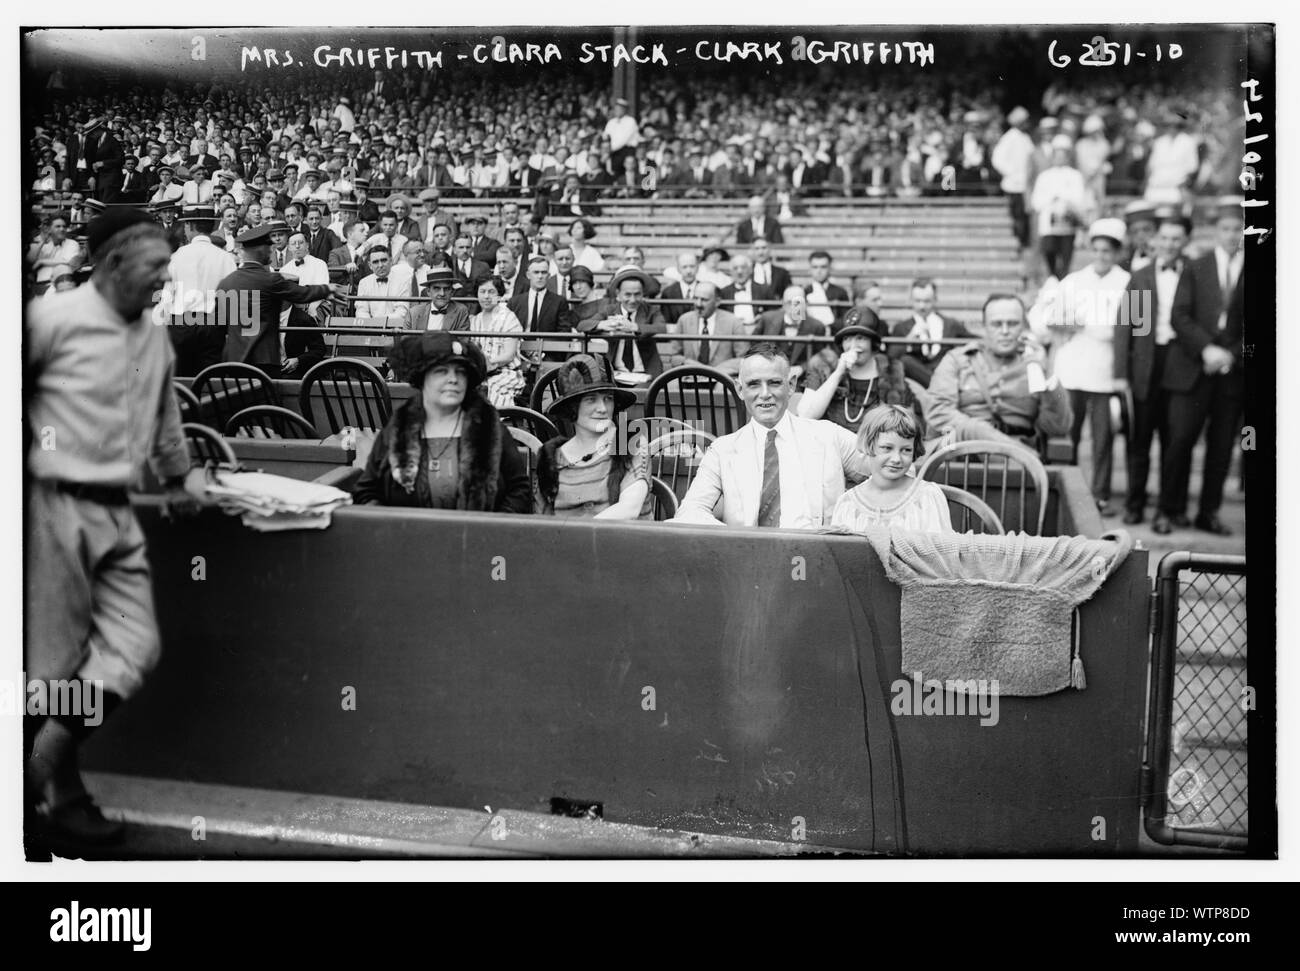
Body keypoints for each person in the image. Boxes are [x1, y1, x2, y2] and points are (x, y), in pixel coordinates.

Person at [26, 208, 200, 845]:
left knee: (131, 651)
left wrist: (178, 479)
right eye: (154, 264)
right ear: (112, 261)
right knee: (49, 671)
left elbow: (165, 413)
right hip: (48, 509)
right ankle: (54, 801)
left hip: (115, 509)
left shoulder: (153, 334)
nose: (163, 276)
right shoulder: (49, 319)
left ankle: (35, 774)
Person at [672, 343, 868, 528]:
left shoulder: (828, 436)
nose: (765, 394)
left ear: (791, 385)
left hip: (816, 555)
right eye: (754, 384)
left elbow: (888, 471)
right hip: (749, 555)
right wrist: (734, 539)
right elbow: (690, 511)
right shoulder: (722, 450)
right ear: (740, 390)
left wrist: (855, 523)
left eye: (774, 383)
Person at [352, 331, 532, 511]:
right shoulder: (399, 429)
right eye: (441, 371)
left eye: (460, 372)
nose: (453, 379)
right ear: (422, 378)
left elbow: (520, 490)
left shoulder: (489, 428)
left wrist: (491, 528)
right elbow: (367, 491)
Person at [1036, 217, 1131, 514]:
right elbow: (1053, 320)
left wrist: (1096, 327)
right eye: (1097, 250)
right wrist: (1078, 323)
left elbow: (1138, 327)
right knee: (1069, 434)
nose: (1101, 256)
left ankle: (1100, 495)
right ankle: (1068, 492)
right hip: (1073, 367)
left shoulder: (1130, 282)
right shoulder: (1073, 281)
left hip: (1106, 371)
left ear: (1116, 253)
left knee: (1103, 438)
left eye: (1108, 251)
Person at [1161, 201, 1244, 536]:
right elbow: (1178, 315)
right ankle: (1169, 510)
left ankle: (1207, 513)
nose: (1231, 235)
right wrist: (1207, 349)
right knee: (1179, 440)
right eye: (1225, 228)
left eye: (1237, 229)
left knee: (1221, 447)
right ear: (1214, 232)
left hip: (1232, 374)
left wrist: (1230, 355)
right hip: (1192, 369)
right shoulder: (1196, 267)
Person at [1114, 209, 1190, 527]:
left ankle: (1167, 510)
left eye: (1176, 239)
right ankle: (1135, 504)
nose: (1170, 245)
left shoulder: (1193, 275)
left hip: (1182, 366)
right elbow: (1127, 326)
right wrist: (1121, 374)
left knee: (1175, 443)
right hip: (1146, 365)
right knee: (1139, 441)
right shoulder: (1142, 277)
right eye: (1165, 238)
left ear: (1186, 241)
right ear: (1156, 240)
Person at [926, 294, 1072, 448]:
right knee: (974, 431)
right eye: (996, 324)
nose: (1005, 331)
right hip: (965, 455)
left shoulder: (1034, 365)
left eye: (1013, 324)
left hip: (1017, 462)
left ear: (1023, 326)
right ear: (984, 326)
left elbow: (1058, 426)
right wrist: (979, 433)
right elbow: (938, 411)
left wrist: (1046, 373)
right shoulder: (957, 360)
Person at [536, 354, 651, 519]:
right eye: (591, 400)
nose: (603, 408)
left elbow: (629, 509)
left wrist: (576, 537)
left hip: (624, 541)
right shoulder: (551, 457)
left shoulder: (630, 443)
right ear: (573, 408)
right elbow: (541, 523)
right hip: (565, 542)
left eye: (608, 399)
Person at [218, 223, 341, 377]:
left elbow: (219, 325)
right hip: (265, 362)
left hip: (234, 361)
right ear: (261, 250)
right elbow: (302, 293)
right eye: (269, 247)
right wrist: (328, 289)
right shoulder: (269, 279)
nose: (271, 250)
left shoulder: (226, 283)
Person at [830, 405, 953, 533]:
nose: (896, 459)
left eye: (906, 450)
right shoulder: (848, 504)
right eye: (887, 448)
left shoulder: (926, 497)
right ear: (869, 445)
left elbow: (940, 548)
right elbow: (839, 550)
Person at [799, 309, 916, 433]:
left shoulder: (892, 372)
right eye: (847, 339)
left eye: (861, 338)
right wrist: (838, 373)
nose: (853, 345)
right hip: (829, 448)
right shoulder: (824, 366)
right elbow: (806, 415)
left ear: (873, 343)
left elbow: (905, 427)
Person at [160, 204, 236, 376]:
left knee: (180, 378)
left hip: (181, 324)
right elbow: (231, 297)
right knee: (210, 379)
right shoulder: (226, 259)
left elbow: (167, 295)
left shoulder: (178, 256)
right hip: (212, 324)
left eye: (186, 225)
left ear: (191, 226)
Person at [582, 265, 667, 377]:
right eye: (627, 294)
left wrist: (634, 327)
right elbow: (582, 325)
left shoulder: (651, 310)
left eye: (637, 294)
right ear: (618, 294)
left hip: (645, 375)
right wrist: (602, 324)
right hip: (615, 374)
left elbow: (661, 328)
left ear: (642, 294)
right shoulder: (609, 310)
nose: (632, 300)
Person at [889, 277, 972, 388]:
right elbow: (891, 358)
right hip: (916, 380)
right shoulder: (901, 327)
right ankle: (939, 388)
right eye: (917, 301)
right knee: (905, 361)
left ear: (935, 299)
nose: (922, 306)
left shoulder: (951, 324)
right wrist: (909, 339)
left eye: (927, 301)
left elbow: (973, 340)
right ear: (911, 300)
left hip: (945, 373)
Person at [1030, 134, 1090, 280]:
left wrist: (1064, 199)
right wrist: (1052, 198)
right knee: (1049, 251)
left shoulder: (1075, 175)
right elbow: (1036, 200)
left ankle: (1063, 281)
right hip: (1049, 224)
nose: (1060, 158)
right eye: (1057, 155)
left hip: (1067, 223)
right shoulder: (1044, 176)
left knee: (1065, 257)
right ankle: (1053, 278)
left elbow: (1079, 197)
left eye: (1063, 155)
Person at [469, 275, 526, 408]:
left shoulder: (508, 318)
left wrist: (487, 363)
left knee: (491, 386)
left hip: (506, 373)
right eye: (482, 292)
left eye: (491, 292)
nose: (486, 296)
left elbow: (508, 355)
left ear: (499, 295)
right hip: (482, 373)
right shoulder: (475, 320)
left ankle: (494, 424)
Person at [667, 281, 744, 371]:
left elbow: (744, 359)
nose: (698, 304)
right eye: (695, 298)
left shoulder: (733, 322)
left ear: (717, 302)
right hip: (690, 379)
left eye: (704, 300)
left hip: (722, 380)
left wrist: (717, 371)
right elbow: (673, 356)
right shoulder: (684, 320)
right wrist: (688, 363)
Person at [409, 266, 472, 332]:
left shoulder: (461, 311)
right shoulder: (414, 313)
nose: (442, 294)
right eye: (437, 288)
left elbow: (463, 340)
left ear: (452, 292)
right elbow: (406, 341)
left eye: (446, 289)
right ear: (428, 291)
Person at [804, 250, 850, 331]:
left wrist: (830, 327)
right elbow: (797, 318)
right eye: (815, 267)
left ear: (830, 268)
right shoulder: (803, 292)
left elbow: (846, 318)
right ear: (810, 269)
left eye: (823, 267)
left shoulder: (841, 292)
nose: (819, 271)